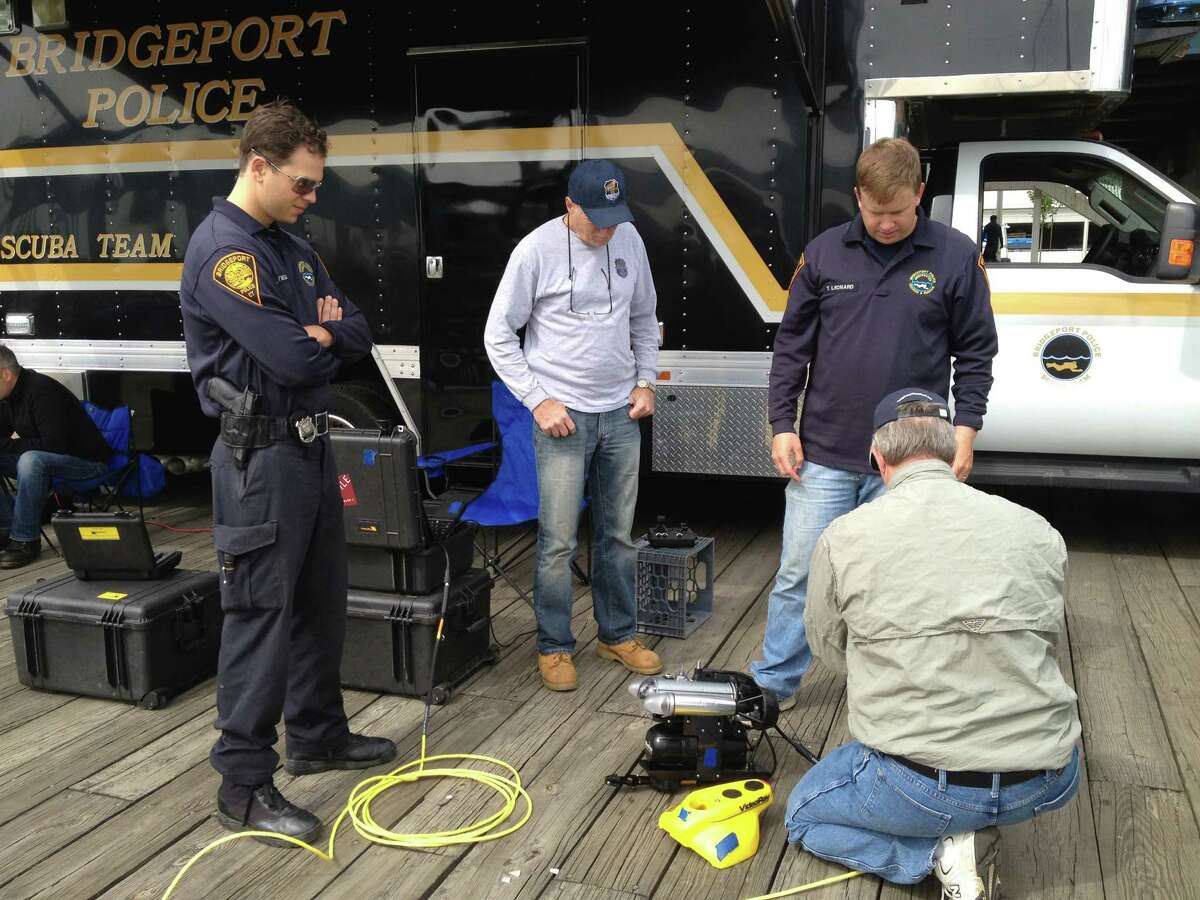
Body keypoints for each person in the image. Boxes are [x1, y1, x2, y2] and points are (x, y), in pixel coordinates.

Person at [180, 99, 395, 845]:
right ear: (259, 166)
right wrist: (319, 334)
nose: (312, 199)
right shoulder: (225, 253)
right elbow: (297, 357)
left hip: (306, 450)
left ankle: (316, 736)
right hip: (257, 460)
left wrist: (326, 328)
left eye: (316, 186)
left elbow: (358, 332)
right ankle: (242, 784)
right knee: (259, 623)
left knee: (319, 605)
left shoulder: (292, 246)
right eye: (302, 185)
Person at [785, 388, 1082, 899]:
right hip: (1048, 779)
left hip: (920, 786)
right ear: (953, 454)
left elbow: (831, 649)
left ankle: (935, 854)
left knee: (804, 814)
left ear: (877, 457)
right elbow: (1047, 638)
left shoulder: (844, 536)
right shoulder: (1037, 529)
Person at [751, 137, 998, 710]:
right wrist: (782, 425)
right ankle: (773, 684)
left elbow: (977, 352)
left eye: (899, 212)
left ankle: (889, 689)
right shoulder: (824, 254)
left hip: (915, 457)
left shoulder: (957, 256)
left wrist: (966, 430)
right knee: (800, 574)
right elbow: (791, 348)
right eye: (875, 211)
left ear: (920, 194)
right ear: (858, 196)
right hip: (826, 451)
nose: (886, 224)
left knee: (903, 581)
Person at [484, 159, 663, 692]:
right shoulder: (535, 250)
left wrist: (646, 381)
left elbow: (644, 319)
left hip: (620, 414)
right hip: (562, 419)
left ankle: (617, 634)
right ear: (569, 206)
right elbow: (498, 335)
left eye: (615, 215)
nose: (607, 228)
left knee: (617, 535)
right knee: (558, 540)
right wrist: (539, 402)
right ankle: (555, 645)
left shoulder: (629, 239)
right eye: (597, 218)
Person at [0, 344, 111, 568]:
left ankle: (25, 540)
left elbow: (53, 445)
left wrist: (8, 444)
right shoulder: (7, 396)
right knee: (30, 459)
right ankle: (6, 529)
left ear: (6, 374)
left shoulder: (41, 390)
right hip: (47, 463)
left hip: (86, 464)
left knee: (32, 460)